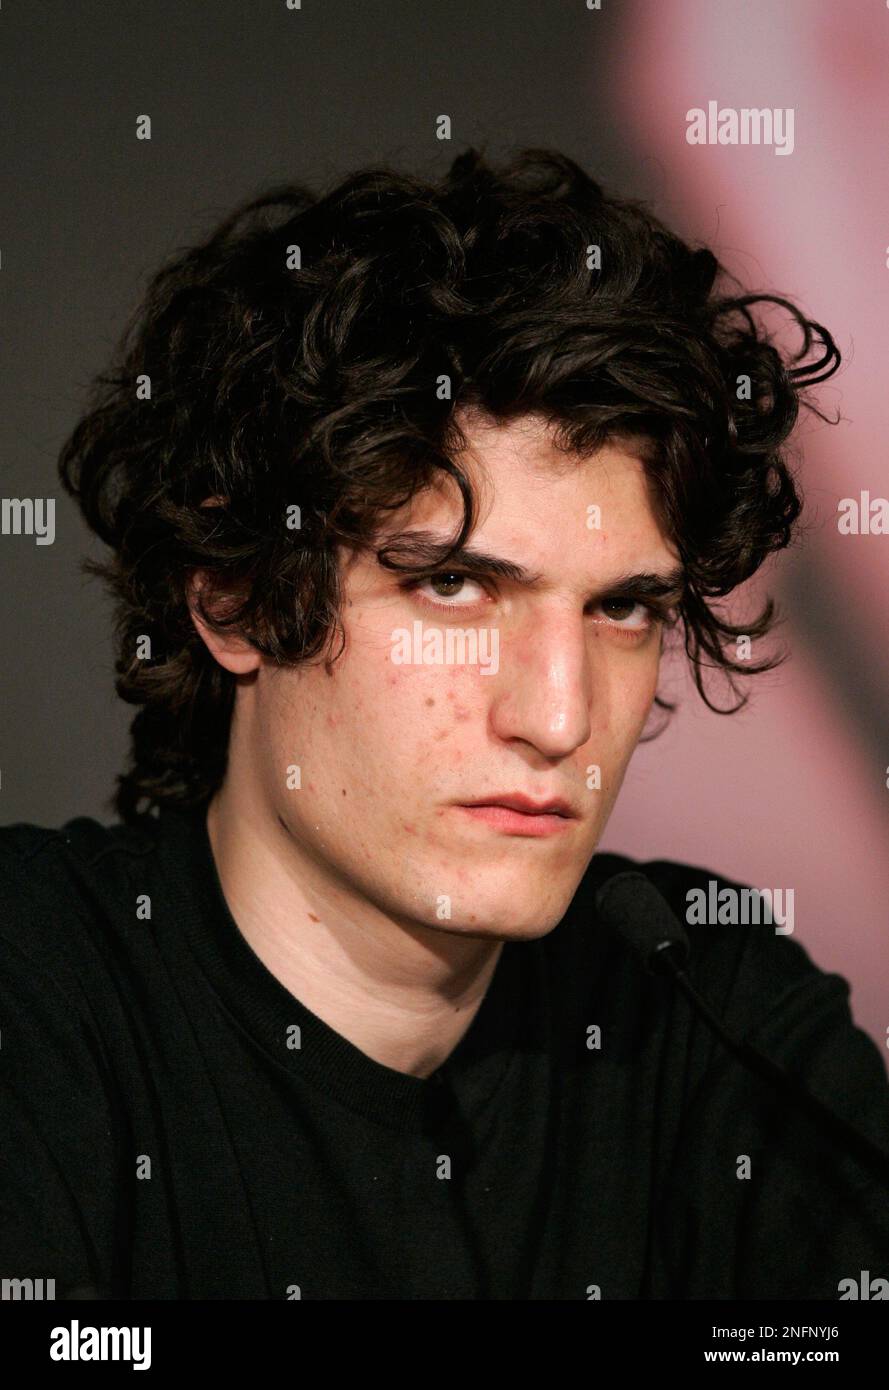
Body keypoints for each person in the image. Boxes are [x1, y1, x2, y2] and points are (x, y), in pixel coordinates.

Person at [1, 147, 887, 1301]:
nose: (558, 716)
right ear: (233, 594)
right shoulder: (34, 990)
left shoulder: (711, 1011)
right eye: (456, 587)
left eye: (622, 607)